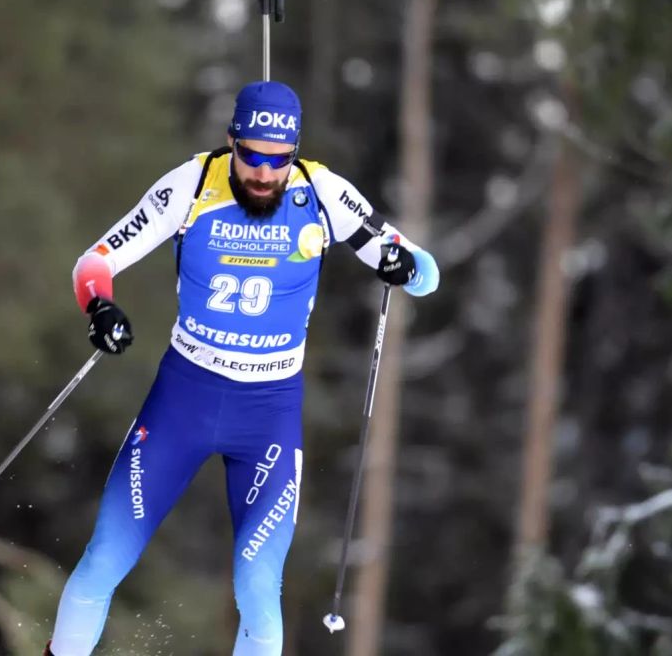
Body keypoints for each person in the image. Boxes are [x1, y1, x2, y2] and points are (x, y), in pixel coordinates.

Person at [44, 80, 439, 656]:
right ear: (232, 141)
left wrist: (407, 266)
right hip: (184, 400)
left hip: (268, 415)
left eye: (279, 159)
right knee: (103, 559)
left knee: (258, 591)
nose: (264, 172)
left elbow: (425, 273)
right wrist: (99, 306)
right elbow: (95, 260)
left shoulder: (321, 191)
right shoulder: (192, 184)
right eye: (252, 155)